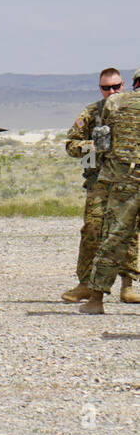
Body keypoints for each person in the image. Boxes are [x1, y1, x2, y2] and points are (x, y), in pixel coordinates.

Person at [62, 68, 140, 303]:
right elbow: (71, 145)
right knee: (93, 230)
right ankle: (85, 283)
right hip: (100, 181)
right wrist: (94, 146)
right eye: (106, 88)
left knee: (129, 232)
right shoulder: (93, 112)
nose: (111, 92)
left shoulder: (128, 109)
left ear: (124, 85)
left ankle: (127, 285)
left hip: (126, 181)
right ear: (100, 88)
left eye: (116, 87)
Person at [79, 83, 140, 314]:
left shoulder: (115, 102)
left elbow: (103, 142)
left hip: (124, 179)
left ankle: (96, 299)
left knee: (114, 238)